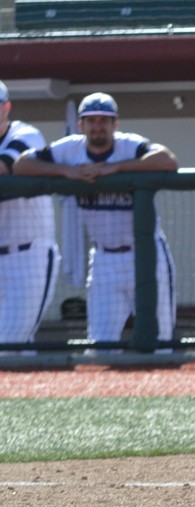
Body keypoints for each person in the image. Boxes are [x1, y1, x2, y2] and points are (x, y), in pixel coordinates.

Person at [14, 92, 178, 346]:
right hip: (103, 259)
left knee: (160, 342)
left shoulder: (129, 145)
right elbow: (21, 165)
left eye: (104, 120)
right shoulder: (69, 149)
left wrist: (117, 167)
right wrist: (64, 171)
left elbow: (167, 160)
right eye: (91, 120)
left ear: (115, 124)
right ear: (81, 125)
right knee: (100, 344)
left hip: (145, 256)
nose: (97, 126)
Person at [0, 80, 60, 346]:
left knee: (10, 344)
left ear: (6, 107)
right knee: (16, 351)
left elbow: (6, 166)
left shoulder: (26, 134)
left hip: (28, 256)